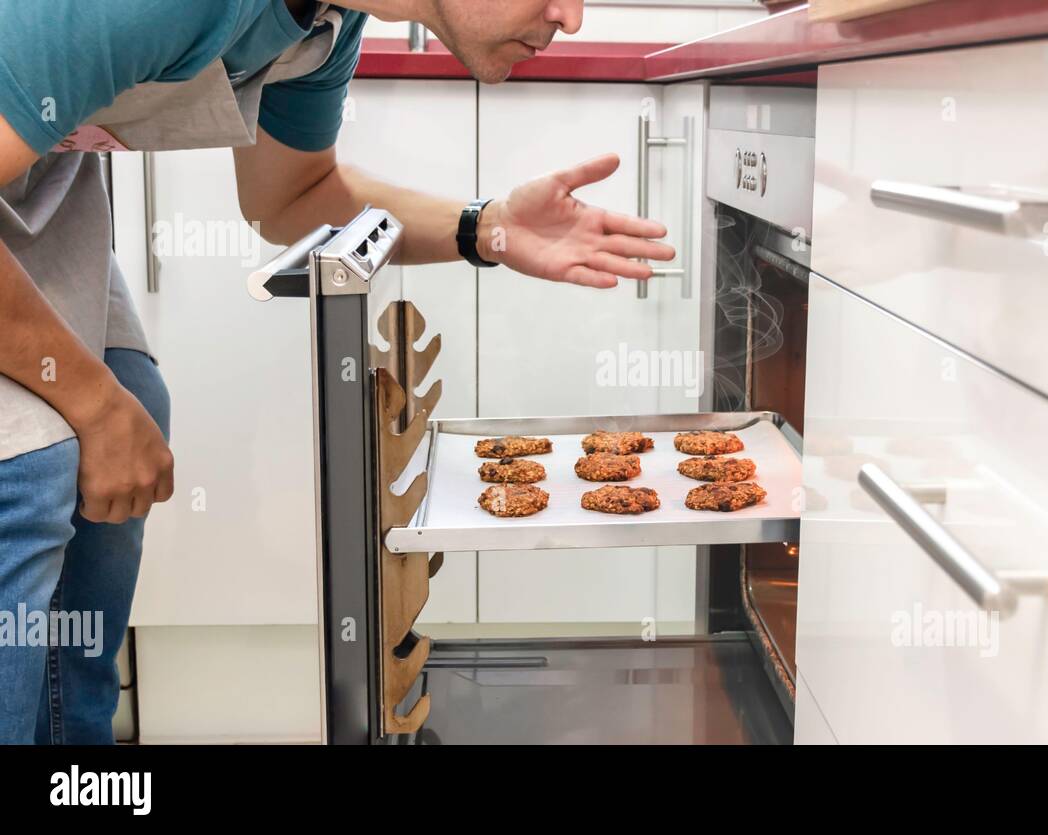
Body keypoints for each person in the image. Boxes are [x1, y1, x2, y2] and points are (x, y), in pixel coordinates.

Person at [0, 0, 674, 744]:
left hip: (36, 182)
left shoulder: (324, 23)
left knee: (137, 407)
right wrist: (93, 406)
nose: (570, 17)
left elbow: (290, 196)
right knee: (34, 467)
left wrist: (490, 230)